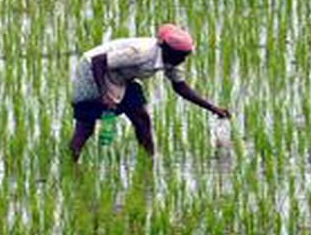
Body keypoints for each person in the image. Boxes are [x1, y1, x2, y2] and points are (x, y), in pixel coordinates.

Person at [68, 24, 230, 160]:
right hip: (92, 72)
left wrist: (212, 108)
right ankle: (71, 162)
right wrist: (104, 93)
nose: (183, 60)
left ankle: (149, 159)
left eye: (185, 56)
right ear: (166, 49)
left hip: (120, 77)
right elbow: (99, 61)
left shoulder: (172, 60)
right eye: (180, 56)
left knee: (141, 117)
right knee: (86, 124)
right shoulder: (141, 53)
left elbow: (180, 87)